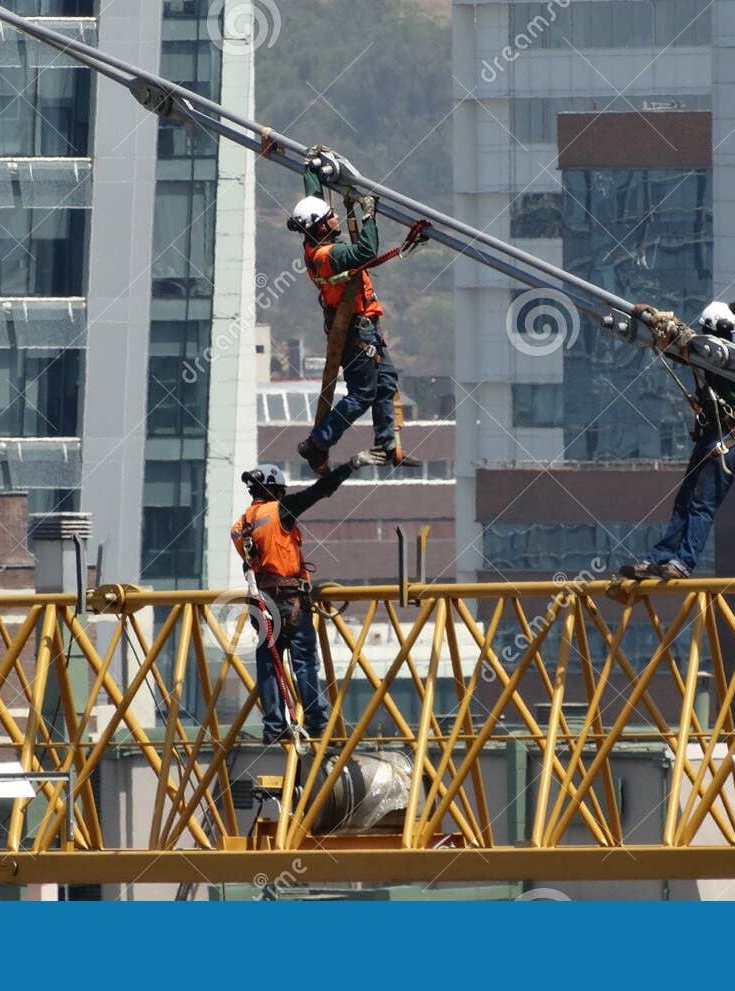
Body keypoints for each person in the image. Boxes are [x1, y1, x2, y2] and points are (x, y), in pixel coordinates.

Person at [231, 449, 384, 744]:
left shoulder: (241, 525)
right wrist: (351, 465)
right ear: (275, 489)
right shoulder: (280, 510)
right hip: (290, 601)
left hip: (261, 603)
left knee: (269, 663)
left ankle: (274, 727)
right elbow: (319, 491)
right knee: (303, 662)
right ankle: (315, 721)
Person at [289, 144, 413, 473]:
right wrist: (368, 214)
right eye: (329, 217)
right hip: (358, 331)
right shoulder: (329, 256)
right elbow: (367, 250)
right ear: (318, 227)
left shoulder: (313, 242)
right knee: (361, 393)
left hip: (360, 325)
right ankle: (318, 442)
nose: (334, 217)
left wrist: (311, 169)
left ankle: (387, 443)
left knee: (385, 381)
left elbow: (315, 203)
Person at [624, 301, 735, 581]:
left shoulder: (730, 353)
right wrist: (648, 324)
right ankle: (660, 558)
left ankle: (683, 563)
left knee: (702, 503)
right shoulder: (702, 354)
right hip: (714, 433)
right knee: (685, 500)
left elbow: (702, 345)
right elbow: (676, 349)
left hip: (729, 436)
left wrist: (672, 326)